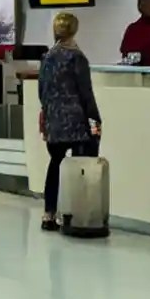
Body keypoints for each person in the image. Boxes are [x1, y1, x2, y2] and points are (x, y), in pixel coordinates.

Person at [37, 13, 101, 232]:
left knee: (56, 163)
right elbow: (86, 94)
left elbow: (42, 92)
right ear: (74, 30)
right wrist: (95, 123)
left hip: (54, 119)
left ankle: (49, 214)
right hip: (77, 121)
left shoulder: (47, 57)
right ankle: (77, 214)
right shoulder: (77, 58)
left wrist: (47, 115)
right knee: (80, 167)